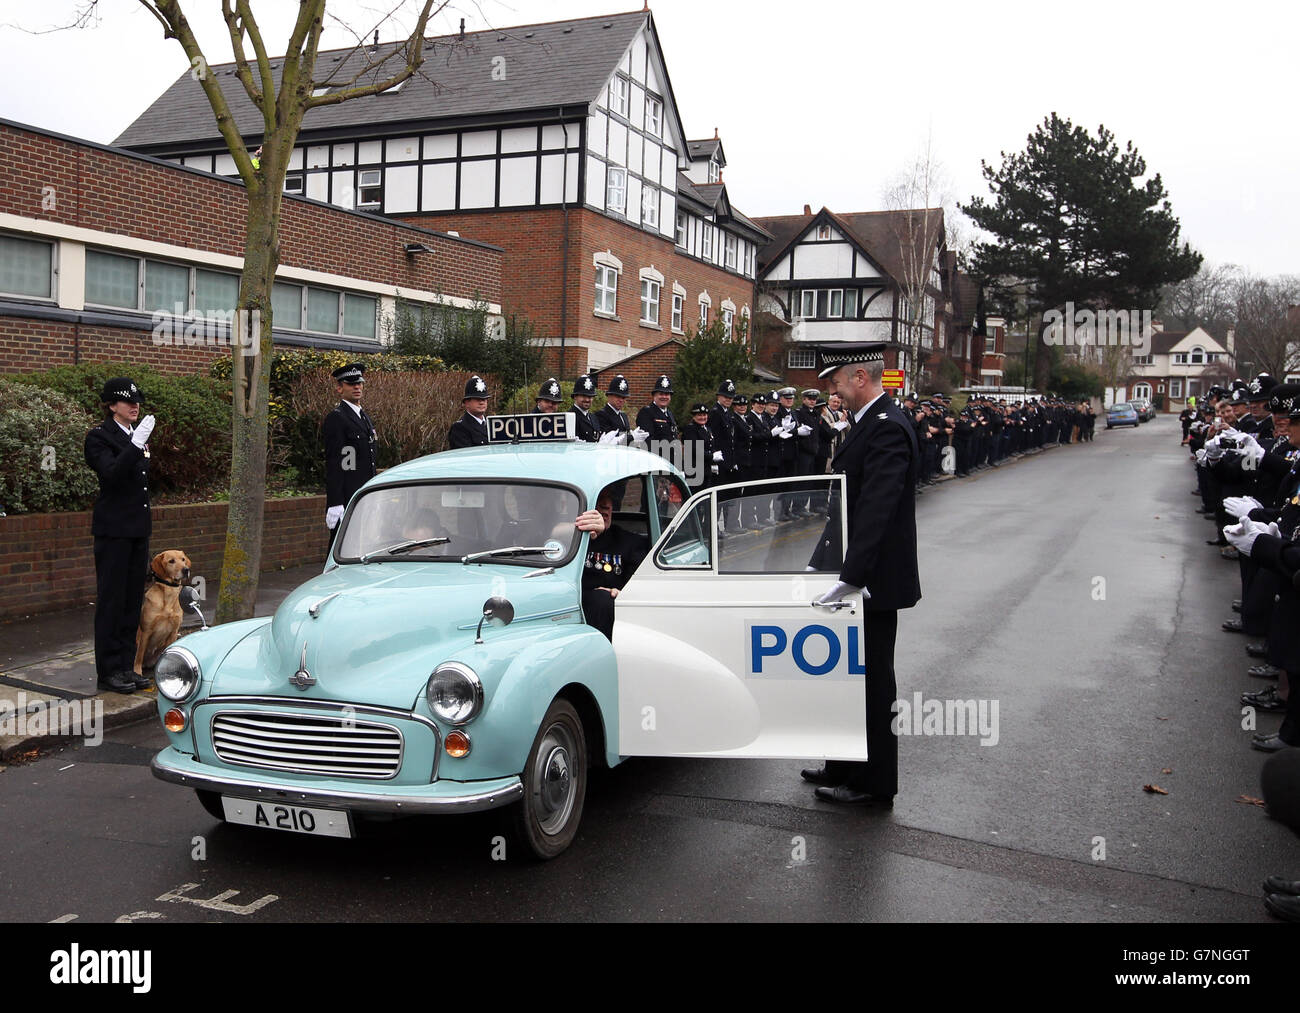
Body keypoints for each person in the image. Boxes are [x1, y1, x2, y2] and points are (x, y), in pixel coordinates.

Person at [804, 344, 921, 806]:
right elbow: (845, 505)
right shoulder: (869, 423)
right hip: (854, 575)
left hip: (873, 581)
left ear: (859, 377)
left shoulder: (887, 427)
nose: (832, 390)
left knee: (872, 682)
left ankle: (873, 784)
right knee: (845, 675)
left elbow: (876, 509)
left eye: (835, 382)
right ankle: (842, 764)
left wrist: (851, 576)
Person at [84, 377, 155, 694]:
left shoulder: (133, 436)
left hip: (137, 529)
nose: (134, 405)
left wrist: (137, 442)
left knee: (131, 601)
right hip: (113, 531)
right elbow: (111, 475)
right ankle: (108, 670)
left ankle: (126, 666)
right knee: (112, 600)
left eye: (137, 401)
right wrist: (134, 445)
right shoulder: (98, 437)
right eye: (127, 401)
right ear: (112, 405)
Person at [581, 486, 649, 642]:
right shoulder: (565, 539)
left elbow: (640, 589)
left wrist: (622, 593)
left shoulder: (629, 543)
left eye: (609, 498)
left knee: (603, 600)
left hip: (608, 626)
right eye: (597, 497)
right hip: (567, 617)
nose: (606, 504)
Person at [323, 363, 378, 545]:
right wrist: (335, 501)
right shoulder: (337, 418)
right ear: (340, 388)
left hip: (363, 494)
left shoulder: (362, 416)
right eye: (351, 384)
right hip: (348, 496)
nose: (357, 387)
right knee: (343, 545)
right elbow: (335, 462)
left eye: (360, 383)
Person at [447, 375, 492, 449]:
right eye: (477, 399)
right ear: (467, 403)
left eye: (484, 399)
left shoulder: (492, 425)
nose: (481, 402)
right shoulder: (459, 428)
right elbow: (464, 456)